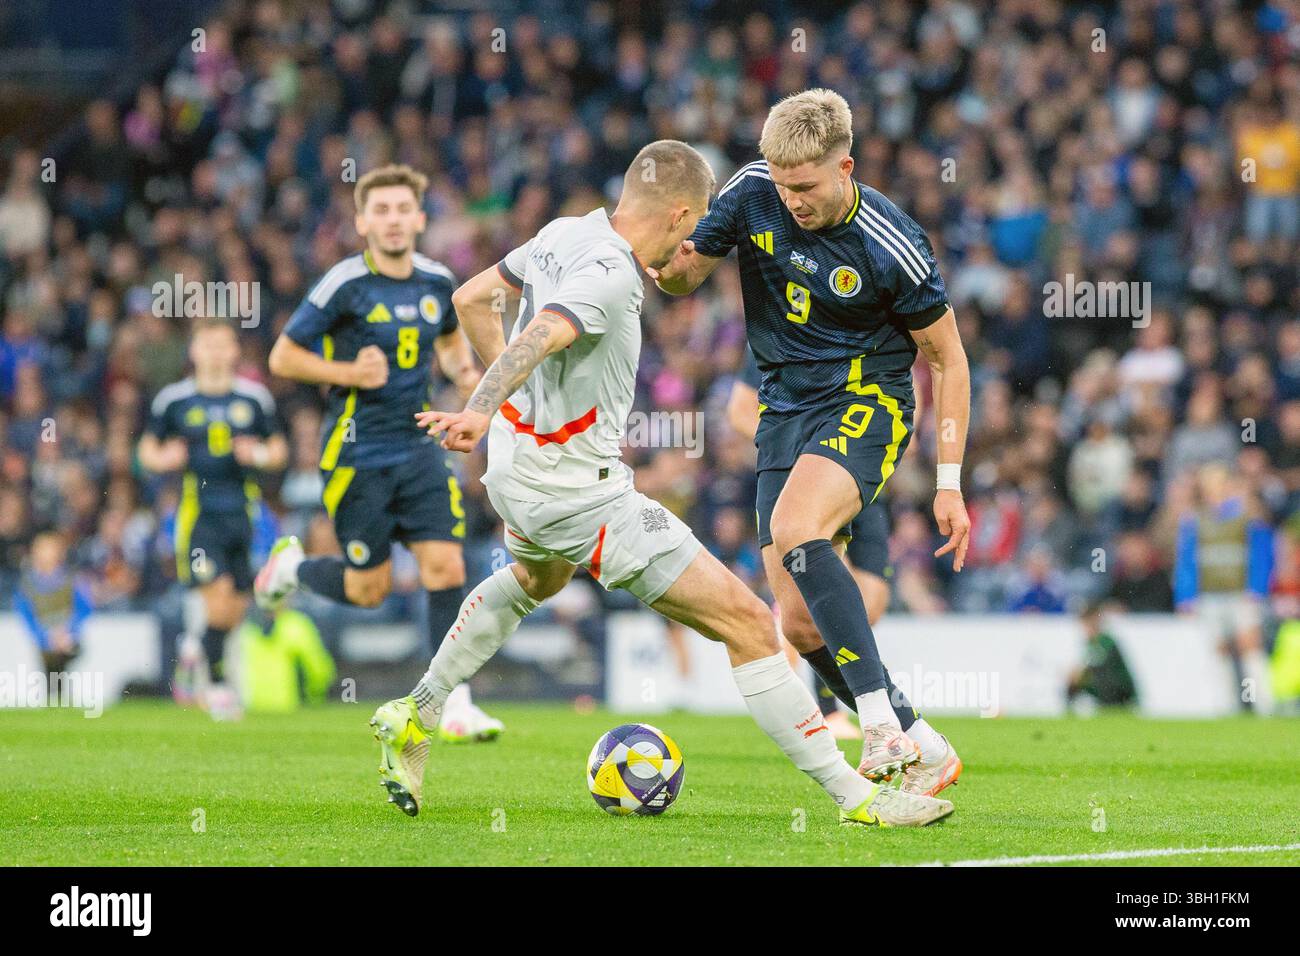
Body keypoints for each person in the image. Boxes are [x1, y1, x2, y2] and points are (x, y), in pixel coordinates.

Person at [370, 139, 952, 828]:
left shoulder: (565, 231)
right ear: (680, 213)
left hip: (515, 467)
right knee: (751, 627)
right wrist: (483, 404)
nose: (698, 241)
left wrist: (509, 410)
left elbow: (472, 299)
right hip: (577, 491)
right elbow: (543, 336)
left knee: (537, 581)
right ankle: (861, 800)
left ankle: (418, 710)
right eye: (698, 223)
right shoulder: (614, 273)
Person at [651, 89, 968, 794]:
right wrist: (658, 260)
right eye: (781, 181)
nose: (790, 198)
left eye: (805, 185)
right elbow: (686, 275)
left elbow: (948, 359)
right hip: (782, 410)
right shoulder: (755, 188)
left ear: (845, 166)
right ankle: (923, 740)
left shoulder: (893, 242)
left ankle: (881, 727)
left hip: (869, 398)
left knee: (798, 529)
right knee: (795, 622)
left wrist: (949, 482)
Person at [256, 164, 501, 742]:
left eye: (402, 210)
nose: (393, 221)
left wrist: (469, 379)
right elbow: (283, 357)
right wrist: (347, 370)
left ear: (419, 219)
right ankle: (291, 567)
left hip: (418, 444)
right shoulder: (345, 283)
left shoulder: (438, 280)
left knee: (446, 566)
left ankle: (454, 702)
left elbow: (447, 347)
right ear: (363, 220)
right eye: (381, 211)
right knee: (371, 589)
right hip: (355, 450)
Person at [138, 317, 287, 717]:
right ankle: (218, 685)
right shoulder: (175, 401)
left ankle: (195, 650)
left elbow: (278, 450)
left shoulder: (254, 399)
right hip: (199, 515)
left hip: (243, 512)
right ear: (195, 352)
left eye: (224, 345)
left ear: (236, 351)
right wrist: (163, 458)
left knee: (237, 605)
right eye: (209, 345)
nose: (217, 353)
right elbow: (146, 451)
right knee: (217, 596)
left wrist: (255, 454)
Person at [15, 529, 93, 679]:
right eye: (42, 547)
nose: (46, 553)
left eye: (51, 547)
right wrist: (46, 637)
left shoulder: (73, 580)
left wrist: (69, 632)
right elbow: (26, 616)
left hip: (68, 638)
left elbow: (84, 609)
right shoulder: (26, 586)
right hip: (43, 643)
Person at [1066, 602, 1138, 711]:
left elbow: (1101, 665)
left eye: (1086, 625)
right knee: (1073, 680)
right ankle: (1069, 712)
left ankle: (1110, 707)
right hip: (1103, 683)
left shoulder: (1106, 640)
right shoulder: (1090, 643)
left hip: (1119, 687)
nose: (1084, 629)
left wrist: (1081, 673)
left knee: (1098, 677)